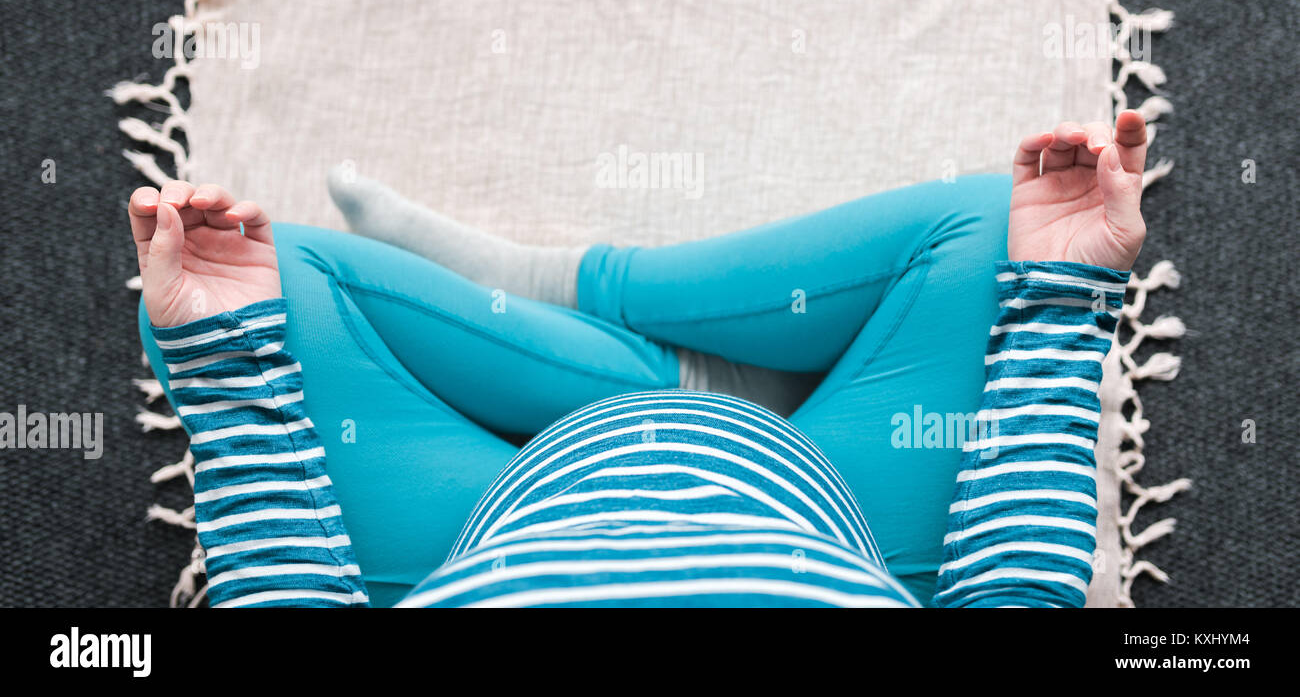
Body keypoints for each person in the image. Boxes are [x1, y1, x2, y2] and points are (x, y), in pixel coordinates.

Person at [129, 113, 1148, 607]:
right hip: (837, 509)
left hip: (486, 521)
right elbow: (1011, 588)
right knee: (1003, 228)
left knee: (231, 292)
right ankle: (602, 297)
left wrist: (223, 365)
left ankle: (636, 348)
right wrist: (1062, 292)